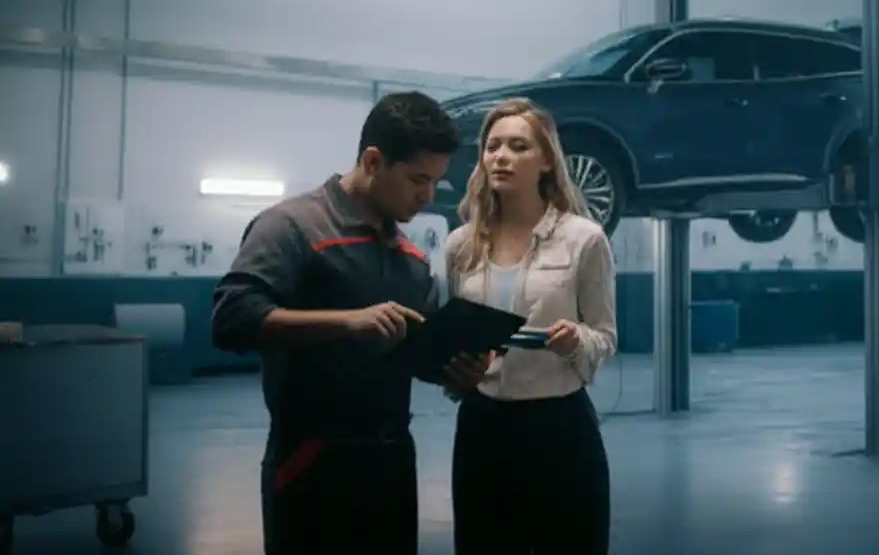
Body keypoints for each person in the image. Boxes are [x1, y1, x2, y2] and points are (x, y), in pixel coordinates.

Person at [211, 91, 491, 555]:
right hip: (310, 460)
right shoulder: (292, 227)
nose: (426, 196)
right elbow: (231, 318)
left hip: (393, 462)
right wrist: (348, 323)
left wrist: (457, 370)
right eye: (417, 179)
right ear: (373, 160)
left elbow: (413, 352)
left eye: (435, 182)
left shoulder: (412, 261)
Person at [446, 97, 617, 555]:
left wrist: (576, 340)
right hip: (483, 426)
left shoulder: (584, 239)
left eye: (518, 146)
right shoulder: (460, 245)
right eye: (493, 146)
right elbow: (451, 337)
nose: (501, 156)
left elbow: (605, 334)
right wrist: (454, 371)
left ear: (546, 161)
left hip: (559, 427)